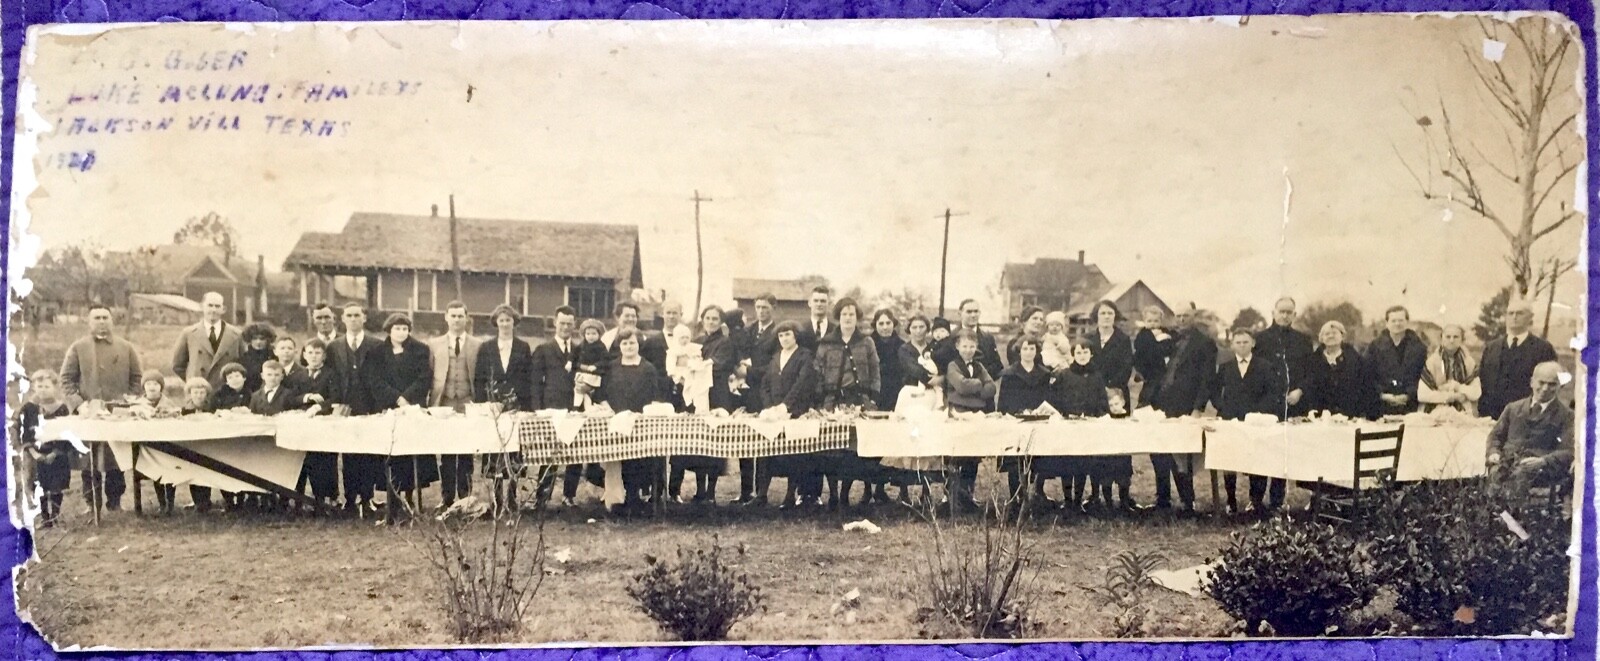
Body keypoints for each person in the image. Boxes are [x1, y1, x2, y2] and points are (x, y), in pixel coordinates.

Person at [60, 305, 141, 513]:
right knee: (89, 460)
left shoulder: (126, 347)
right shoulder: (78, 348)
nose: (102, 321)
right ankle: (91, 502)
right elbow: (67, 380)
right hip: (88, 413)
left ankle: (115, 501)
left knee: (115, 458)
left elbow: (136, 378)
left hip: (117, 413)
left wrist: (127, 401)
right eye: (97, 317)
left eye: (106, 317)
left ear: (112, 321)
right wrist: (79, 404)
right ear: (89, 321)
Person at [812, 298, 883, 508]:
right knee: (830, 450)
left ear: (857, 317)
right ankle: (832, 493)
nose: (848, 318)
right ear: (838, 317)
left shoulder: (867, 342)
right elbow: (818, 370)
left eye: (852, 314)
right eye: (844, 314)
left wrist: (873, 397)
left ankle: (845, 493)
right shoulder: (826, 343)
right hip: (832, 401)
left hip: (857, 400)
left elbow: (875, 370)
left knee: (853, 450)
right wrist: (819, 399)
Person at [1206, 328, 1284, 515]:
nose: (1242, 346)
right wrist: (1222, 407)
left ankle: (1255, 501)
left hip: (1255, 421)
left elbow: (1273, 392)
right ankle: (1231, 500)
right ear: (1232, 345)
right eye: (1238, 342)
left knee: (1256, 458)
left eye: (1245, 342)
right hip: (1231, 419)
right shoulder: (1226, 367)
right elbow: (1214, 390)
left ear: (1253, 344)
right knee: (1229, 460)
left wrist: (1257, 412)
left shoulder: (1264, 366)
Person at [368, 313, 436, 524]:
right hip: (388, 408)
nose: (401, 333)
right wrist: (395, 398)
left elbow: (424, 377)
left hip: (412, 407)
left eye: (405, 329)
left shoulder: (420, 350)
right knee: (390, 455)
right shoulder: (377, 352)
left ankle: (410, 496)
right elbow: (374, 379)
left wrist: (407, 398)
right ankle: (392, 497)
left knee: (411, 454)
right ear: (389, 330)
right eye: (397, 329)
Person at [1148, 306, 1216, 515]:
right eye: (1178, 315)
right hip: (1161, 404)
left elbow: (1207, 379)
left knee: (1181, 454)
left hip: (1185, 406)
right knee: (1158, 450)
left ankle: (1188, 501)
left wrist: (1198, 408)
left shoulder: (1204, 343)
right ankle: (1163, 499)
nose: (1181, 319)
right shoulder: (1169, 338)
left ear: (1194, 317)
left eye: (1185, 315)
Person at [593, 329, 668, 517]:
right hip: (616, 421)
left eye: (632, 343)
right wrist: (607, 408)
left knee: (639, 462)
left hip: (639, 422)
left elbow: (654, 396)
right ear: (619, 346)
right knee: (616, 460)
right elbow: (600, 393)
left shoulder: (648, 368)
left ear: (638, 345)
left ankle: (635, 498)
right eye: (625, 343)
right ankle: (616, 500)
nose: (628, 346)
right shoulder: (611, 367)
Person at [669, 305, 738, 504]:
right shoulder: (697, 342)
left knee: (714, 445)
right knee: (697, 444)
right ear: (702, 320)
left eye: (715, 319)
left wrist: (697, 366)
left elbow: (719, 365)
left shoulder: (725, 342)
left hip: (716, 396)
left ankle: (710, 492)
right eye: (707, 318)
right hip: (696, 397)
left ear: (721, 322)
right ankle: (699, 490)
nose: (710, 322)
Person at [472, 304, 534, 510]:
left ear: (514, 323)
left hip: (516, 405)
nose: (505, 324)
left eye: (509, 320)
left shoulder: (523, 347)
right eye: (501, 320)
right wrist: (487, 403)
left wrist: (521, 403)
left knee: (515, 451)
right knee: (495, 451)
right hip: (494, 408)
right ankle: (497, 498)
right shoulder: (487, 347)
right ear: (496, 323)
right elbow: (480, 378)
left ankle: (513, 497)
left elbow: (528, 377)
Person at [328, 303, 385, 518]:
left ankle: (367, 497)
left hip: (370, 406)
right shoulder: (334, 347)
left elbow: (381, 377)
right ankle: (350, 498)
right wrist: (335, 402)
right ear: (343, 319)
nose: (353, 319)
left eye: (357, 315)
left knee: (369, 453)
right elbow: (332, 376)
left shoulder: (376, 345)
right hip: (345, 406)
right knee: (348, 453)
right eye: (349, 315)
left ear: (364, 318)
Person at [424, 301, 482, 509]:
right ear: (446, 317)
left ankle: (465, 497)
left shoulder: (477, 344)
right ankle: (447, 497)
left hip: (468, 402)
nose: (457, 320)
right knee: (447, 452)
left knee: (466, 452)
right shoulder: (434, 344)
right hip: (444, 402)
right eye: (453, 316)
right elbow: (429, 375)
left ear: (467, 318)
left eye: (460, 316)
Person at [1487, 362, 1573, 496]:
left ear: (1560, 386)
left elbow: (1568, 450)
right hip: (1506, 463)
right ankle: (1492, 513)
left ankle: (1514, 515)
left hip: (1541, 470)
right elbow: (1496, 436)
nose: (1545, 388)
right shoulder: (1513, 408)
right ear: (1532, 382)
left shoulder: (1566, 415)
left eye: (1552, 384)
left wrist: (1544, 461)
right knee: (1493, 477)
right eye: (1541, 382)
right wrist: (1494, 453)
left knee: (1519, 477)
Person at [1048, 340, 1111, 512]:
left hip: (1089, 427)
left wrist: (1095, 415)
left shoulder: (1096, 376)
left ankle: (1078, 500)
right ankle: (1068, 500)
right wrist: (1065, 414)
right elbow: (1056, 399)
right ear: (1073, 355)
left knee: (1083, 463)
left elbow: (1102, 401)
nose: (1082, 356)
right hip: (1069, 425)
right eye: (1078, 353)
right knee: (1069, 462)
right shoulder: (1065, 375)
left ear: (1091, 354)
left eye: (1085, 353)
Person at [1084, 301, 1136, 510]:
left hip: (1118, 398)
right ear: (1096, 316)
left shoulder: (1123, 339)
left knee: (1121, 447)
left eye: (1110, 313)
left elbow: (1126, 367)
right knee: (1097, 447)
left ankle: (1124, 497)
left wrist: (1112, 389)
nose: (1106, 316)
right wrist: (1099, 389)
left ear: (1115, 316)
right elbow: (1085, 364)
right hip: (1095, 397)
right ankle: (1096, 495)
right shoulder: (1088, 338)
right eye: (1102, 313)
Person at [762, 321, 819, 508]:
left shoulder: (804, 356)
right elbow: (765, 385)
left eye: (788, 334)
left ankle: (789, 495)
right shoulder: (775, 357)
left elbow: (802, 384)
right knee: (767, 453)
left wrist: (786, 407)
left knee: (794, 455)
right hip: (774, 415)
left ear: (795, 335)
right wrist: (771, 407)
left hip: (795, 413)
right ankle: (761, 494)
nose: (784, 338)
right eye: (780, 335)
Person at [531, 306, 583, 508]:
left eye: (570, 324)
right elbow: (535, 382)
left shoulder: (579, 350)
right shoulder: (544, 349)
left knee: (576, 452)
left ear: (574, 325)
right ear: (555, 323)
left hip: (574, 406)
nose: (566, 327)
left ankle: (569, 495)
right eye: (562, 323)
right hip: (551, 407)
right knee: (550, 453)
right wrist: (537, 408)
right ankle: (542, 497)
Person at [735, 294, 782, 506]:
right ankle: (746, 491)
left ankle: (761, 493)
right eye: (758, 307)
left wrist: (748, 372)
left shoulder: (778, 333)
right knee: (744, 440)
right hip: (745, 392)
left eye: (765, 307)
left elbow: (775, 365)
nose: (761, 311)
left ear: (773, 308)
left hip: (765, 391)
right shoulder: (748, 331)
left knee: (763, 441)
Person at [285, 339, 343, 508]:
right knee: (302, 461)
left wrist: (319, 406)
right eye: (310, 353)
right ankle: (299, 499)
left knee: (324, 461)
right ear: (303, 355)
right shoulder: (297, 376)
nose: (314, 357)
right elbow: (290, 399)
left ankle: (325, 499)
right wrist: (307, 397)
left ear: (324, 356)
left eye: (317, 353)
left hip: (323, 425)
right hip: (302, 425)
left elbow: (336, 397)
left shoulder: (331, 374)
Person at [1478, 298, 1559, 420]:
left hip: (1527, 420)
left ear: (1530, 317)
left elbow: (1551, 386)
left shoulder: (1543, 349)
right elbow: (1483, 381)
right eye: (1510, 313)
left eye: (1520, 313)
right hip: (1491, 418)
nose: (1514, 317)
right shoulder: (1491, 348)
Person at [944, 329, 997, 512]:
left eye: (972, 346)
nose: (968, 350)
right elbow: (961, 385)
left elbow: (992, 387)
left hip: (976, 415)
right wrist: (978, 385)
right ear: (958, 346)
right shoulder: (953, 365)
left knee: (973, 457)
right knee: (956, 456)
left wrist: (978, 387)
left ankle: (968, 496)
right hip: (959, 414)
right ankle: (952, 498)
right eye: (965, 346)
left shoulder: (979, 366)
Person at [997, 336, 1053, 507]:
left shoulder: (1044, 374)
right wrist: (1015, 412)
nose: (1028, 352)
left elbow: (1048, 398)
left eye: (1032, 349)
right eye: (1025, 349)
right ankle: (1016, 495)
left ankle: (1038, 492)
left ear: (1037, 352)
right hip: (1017, 420)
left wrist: (1039, 411)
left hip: (1038, 420)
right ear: (1019, 351)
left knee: (1038, 457)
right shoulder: (1010, 374)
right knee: (1016, 458)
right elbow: (1004, 400)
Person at [15, 370, 73, 527]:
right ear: (33, 387)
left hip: (56, 454)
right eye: (39, 386)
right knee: (39, 485)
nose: (43, 389)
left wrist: (56, 452)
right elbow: (22, 431)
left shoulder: (61, 408)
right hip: (35, 455)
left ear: (55, 387)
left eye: (47, 386)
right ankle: (44, 517)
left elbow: (66, 432)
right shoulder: (28, 408)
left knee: (56, 485)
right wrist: (33, 453)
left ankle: (55, 515)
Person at [199, 363, 252, 512]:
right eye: (230, 377)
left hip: (245, 438)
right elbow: (211, 414)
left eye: (237, 376)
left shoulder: (251, 394)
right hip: (224, 437)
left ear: (244, 378)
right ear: (226, 380)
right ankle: (228, 500)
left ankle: (243, 500)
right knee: (224, 467)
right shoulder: (219, 395)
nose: (234, 379)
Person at [1302, 321, 1378, 420]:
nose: (1331, 336)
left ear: (1342, 336)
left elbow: (1365, 387)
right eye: (1327, 334)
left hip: (1350, 416)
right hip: (1321, 418)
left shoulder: (1356, 360)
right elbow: (1309, 389)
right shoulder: (1313, 361)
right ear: (1321, 338)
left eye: (1334, 333)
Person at [1254, 297, 1314, 419]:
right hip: (1266, 406)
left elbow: (1311, 371)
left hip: (1296, 404)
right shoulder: (1259, 339)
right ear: (1273, 313)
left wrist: (1300, 390)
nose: (1285, 316)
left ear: (1294, 315)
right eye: (1281, 312)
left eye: (1289, 312)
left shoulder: (1304, 340)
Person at [172, 291, 245, 390]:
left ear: (223, 309)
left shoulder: (236, 335)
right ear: (202, 307)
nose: (213, 310)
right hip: (197, 393)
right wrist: (192, 381)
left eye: (217, 306)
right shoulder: (189, 333)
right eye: (210, 305)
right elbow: (177, 365)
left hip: (225, 392)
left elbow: (243, 364)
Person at [1366, 305, 1428, 416]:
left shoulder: (1419, 347)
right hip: (1381, 405)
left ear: (1407, 322)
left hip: (1410, 405)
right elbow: (1367, 375)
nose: (1397, 324)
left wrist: (1409, 394)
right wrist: (1382, 394)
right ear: (1387, 323)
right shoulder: (1374, 346)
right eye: (1393, 320)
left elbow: (1424, 375)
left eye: (1401, 320)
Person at [1419, 324, 1482, 415]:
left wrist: (1458, 387)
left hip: (1464, 413)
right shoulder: (1432, 361)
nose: (1451, 340)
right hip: (1434, 412)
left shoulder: (1469, 362)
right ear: (1442, 339)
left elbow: (1476, 393)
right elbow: (1422, 394)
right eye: (1448, 337)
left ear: (1461, 340)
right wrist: (1448, 396)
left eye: (1456, 337)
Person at [1132, 306, 1175, 408]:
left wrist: (1164, 337)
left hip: (1162, 370)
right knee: (1147, 396)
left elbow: (1169, 348)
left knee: (1162, 397)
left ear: (1161, 321)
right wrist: (1152, 337)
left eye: (1156, 321)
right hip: (1148, 370)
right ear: (1144, 321)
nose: (1153, 324)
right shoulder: (1143, 334)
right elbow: (1139, 348)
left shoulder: (1165, 333)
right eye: (1149, 321)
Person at [954, 299, 1004, 378]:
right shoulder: (951, 337)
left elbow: (997, 366)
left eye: (976, 311)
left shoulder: (988, 339)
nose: (973, 315)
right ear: (960, 314)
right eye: (969, 312)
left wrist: (981, 377)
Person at [871, 309, 906, 412]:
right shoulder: (868, 344)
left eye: (888, 323)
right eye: (881, 324)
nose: (885, 327)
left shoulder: (902, 345)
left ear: (893, 324)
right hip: (874, 394)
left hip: (895, 394)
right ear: (875, 325)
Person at [574, 319, 610, 409]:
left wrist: (596, 366)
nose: (591, 336)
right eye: (588, 334)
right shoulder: (582, 345)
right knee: (578, 389)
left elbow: (605, 360)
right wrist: (573, 363)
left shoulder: (601, 347)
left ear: (599, 335)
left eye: (594, 334)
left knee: (587, 390)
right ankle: (577, 405)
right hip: (582, 372)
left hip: (594, 374)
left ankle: (588, 406)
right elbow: (574, 356)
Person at [239, 322, 277, 395]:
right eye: (255, 338)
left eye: (262, 339)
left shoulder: (274, 358)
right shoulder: (243, 360)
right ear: (249, 340)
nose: (258, 342)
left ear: (268, 340)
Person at [797, 286, 833, 351]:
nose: (819, 304)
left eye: (823, 301)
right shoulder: (800, 329)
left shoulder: (836, 330)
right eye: (816, 301)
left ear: (829, 304)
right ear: (809, 303)